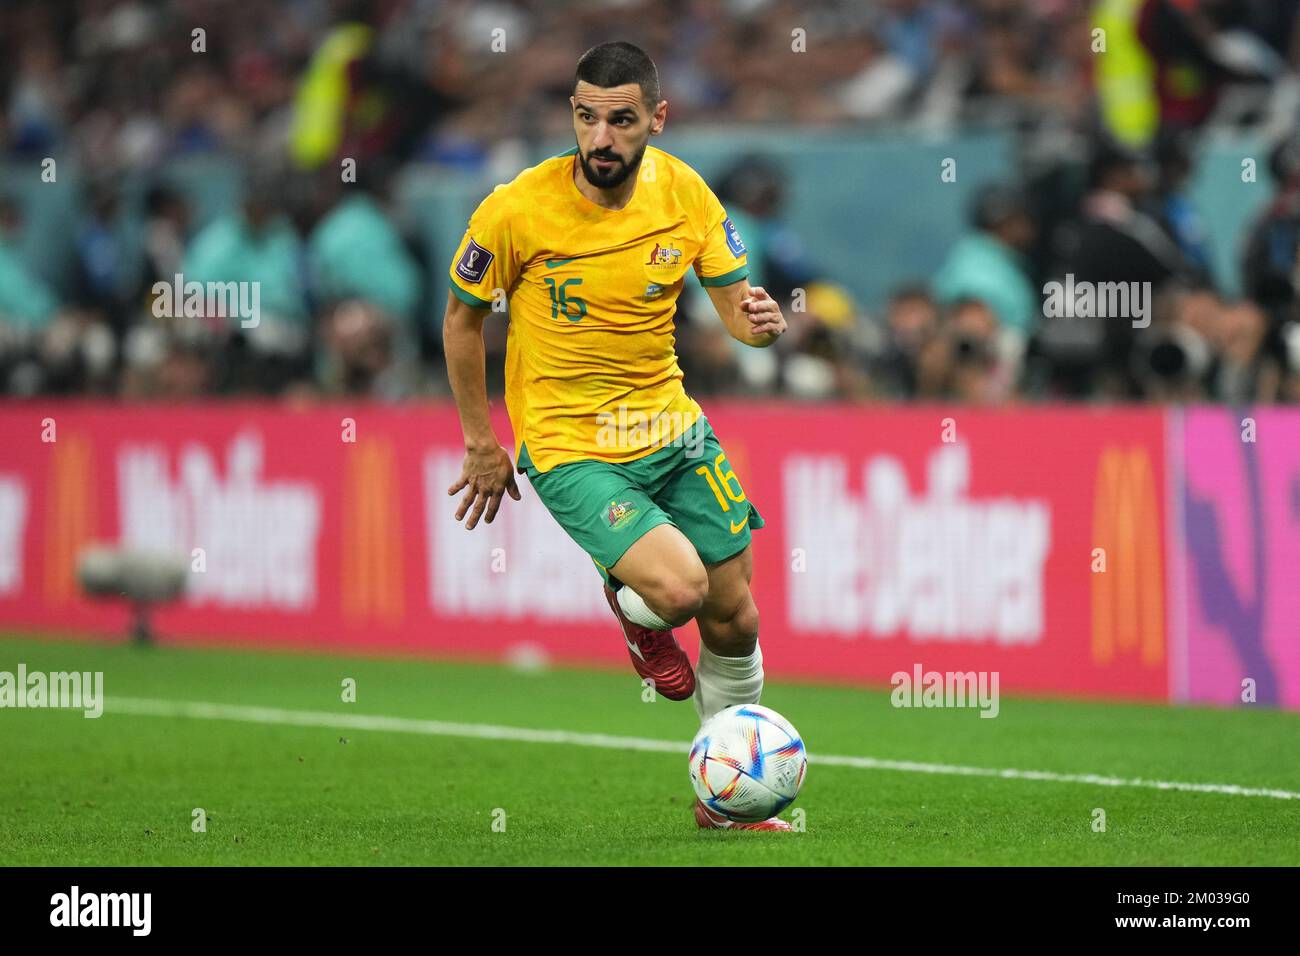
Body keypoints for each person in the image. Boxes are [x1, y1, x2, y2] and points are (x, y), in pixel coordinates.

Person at [441, 42, 790, 831]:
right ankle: (634, 612)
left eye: (621, 120)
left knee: (735, 616)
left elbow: (737, 311)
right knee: (680, 591)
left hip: (672, 428)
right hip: (571, 443)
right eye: (586, 117)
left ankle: (724, 803)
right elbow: (461, 322)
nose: (600, 138)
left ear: (656, 120)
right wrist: (481, 441)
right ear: (572, 113)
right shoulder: (515, 208)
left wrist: (762, 330)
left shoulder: (685, 195)